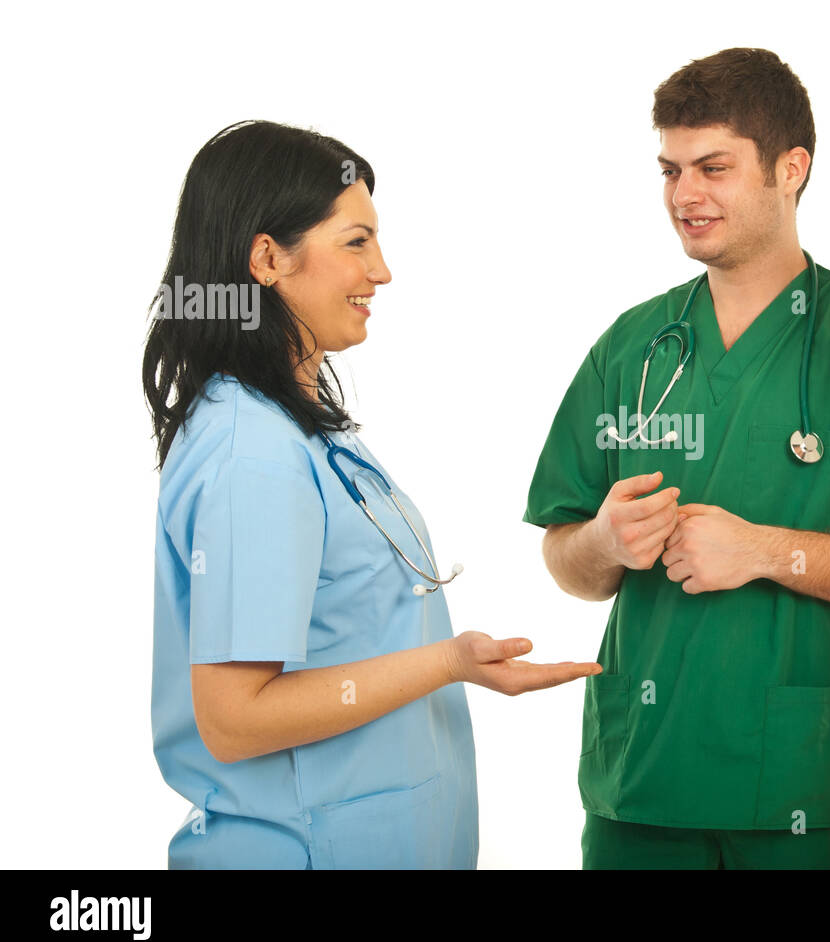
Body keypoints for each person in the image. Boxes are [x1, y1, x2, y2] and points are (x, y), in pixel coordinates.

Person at [523, 49, 830, 869]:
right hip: (642, 788)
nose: (685, 195)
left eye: (714, 168)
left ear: (790, 169)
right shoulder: (634, 347)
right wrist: (604, 545)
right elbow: (566, 557)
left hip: (809, 789)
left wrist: (764, 552)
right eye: (671, 170)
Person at [145, 120, 598, 870]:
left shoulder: (299, 428)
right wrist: (449, 663)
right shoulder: (252, 452)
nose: (381, 271)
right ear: (267, 258)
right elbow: (234, 720)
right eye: (356, 242)